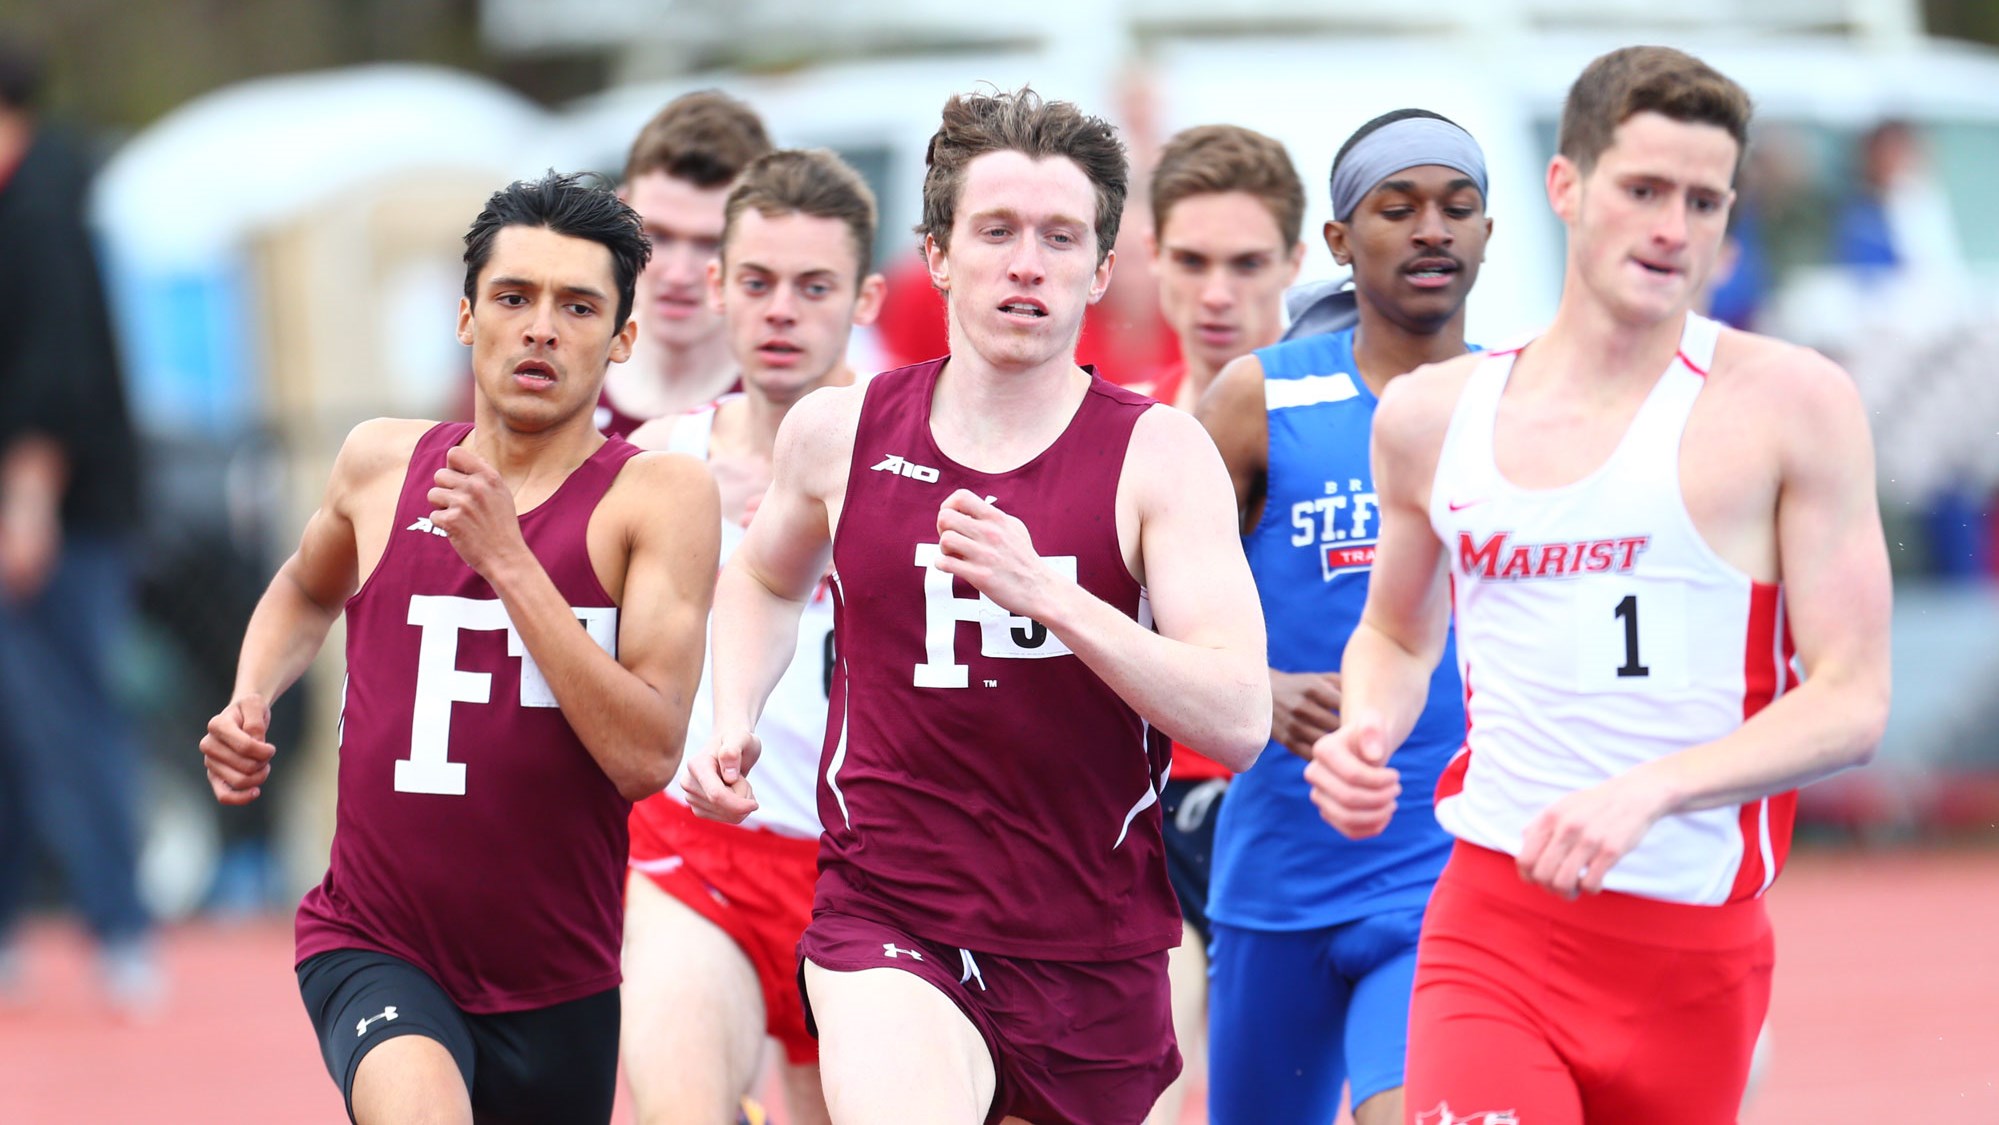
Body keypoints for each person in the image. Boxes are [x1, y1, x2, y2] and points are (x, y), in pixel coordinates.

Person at [1308, 46, 1892, 1125]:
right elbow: (1393, 637)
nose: (1673, 227)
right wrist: (1365, 731)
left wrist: (1654, 786)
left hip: (1692, 954)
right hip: (1494, 927)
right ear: (1565, 188)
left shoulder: (1789, 406)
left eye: (1703, 199)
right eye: (1642, 190)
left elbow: (1852, 700)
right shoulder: (1435, 418)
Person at [683, 87, 1270, 1125]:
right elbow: (766, 577)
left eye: (1059, 237)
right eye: (995, 232)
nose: (1026, 263)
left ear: (1099, 269)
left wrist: (1057, 596)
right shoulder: (840, 432)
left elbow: (1236, 715)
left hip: (1091, 936)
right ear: (940, 256)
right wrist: (729, 712)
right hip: (891, 906)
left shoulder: (1158, 456)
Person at [198, 171, 719, 1125]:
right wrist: (251, 695)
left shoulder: (660, 500)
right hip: (374, 942)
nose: (540, 328)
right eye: (514, 298)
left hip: (558, 980)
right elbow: (305, 589)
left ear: (623, 339)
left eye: (577, 306)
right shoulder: (378, 462)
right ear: (466, 316)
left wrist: (512, 563)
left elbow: (647, 755)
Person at [1194, 108, 1491, 1125]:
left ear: (1488, 233)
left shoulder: (1515, 408)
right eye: (1396, 208)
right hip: (1276, 871)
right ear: (1335, 240)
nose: (1431, 231)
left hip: (1441, 872)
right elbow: (1143, 596)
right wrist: (1252, 690)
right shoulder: (1255, 403)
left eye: (1457, 208)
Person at [621, 148, 886, 1125]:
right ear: (719, 288)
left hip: (879, 885)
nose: (782, 312)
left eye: (814, 287)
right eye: (761, 283)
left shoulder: (924, 460)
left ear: (864, 299)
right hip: (702, 863)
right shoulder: (656, 464)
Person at [1135, 121, 1306, 1125]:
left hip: (1306, 818)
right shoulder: (1118, 428)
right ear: (1151, 258)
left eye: (1246, 264)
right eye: (1191, 260)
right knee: (1143, 1086)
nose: (1215, 294)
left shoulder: (1354, 426)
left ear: (1295, 260)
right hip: (1149, 822)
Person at [0, 41, 159, 1015]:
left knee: (71, 718)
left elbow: (55, 380)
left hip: (60, 517)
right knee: (17, 729)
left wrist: (27, 504)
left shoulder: (44, 210)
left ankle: (122, 926)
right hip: (37, 509)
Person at [597, 89, 774, 436]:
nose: (679, 274)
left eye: (711, 244)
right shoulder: (563, 365)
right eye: (658, 236)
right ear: (621, 211)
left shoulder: (793, 408)